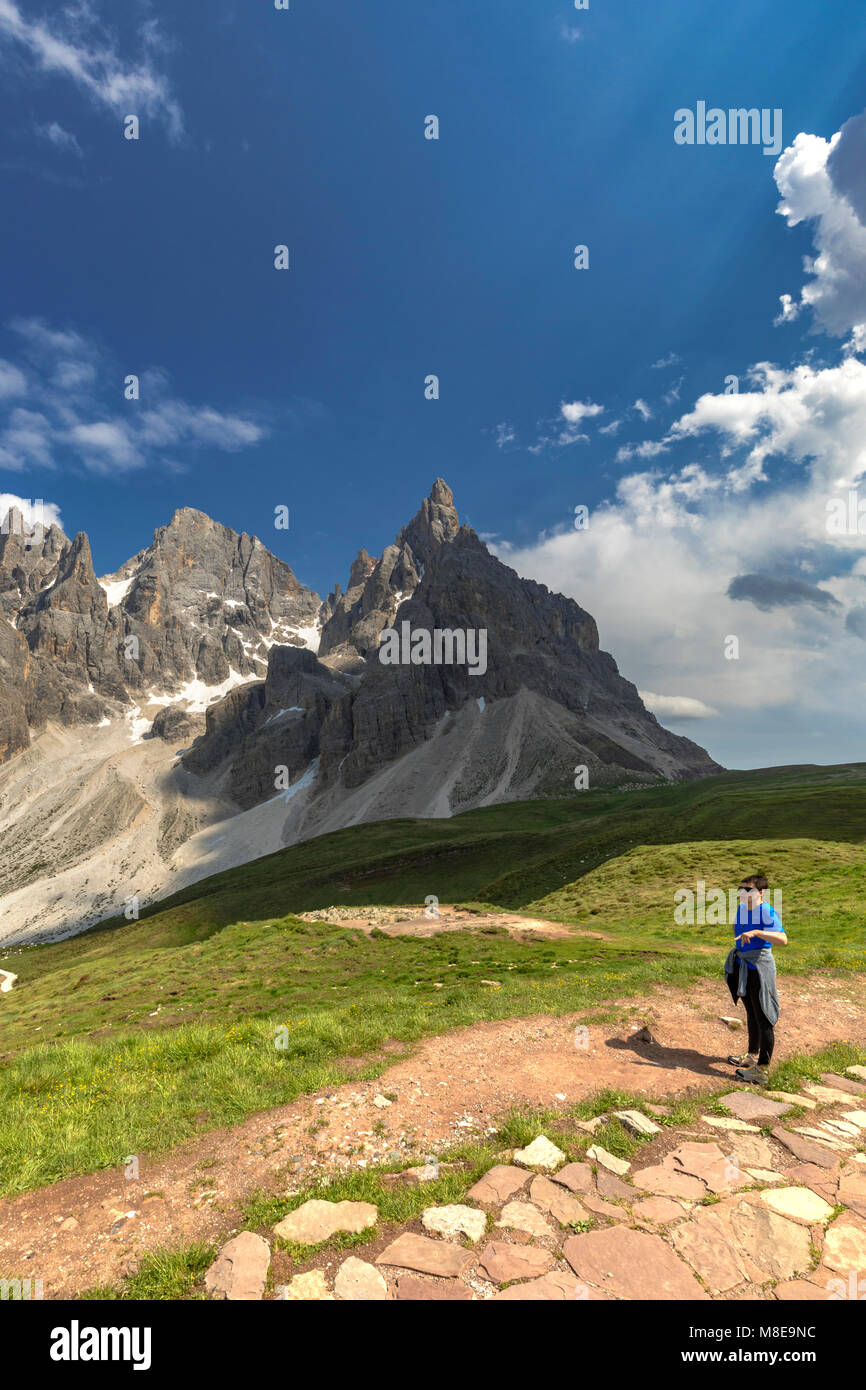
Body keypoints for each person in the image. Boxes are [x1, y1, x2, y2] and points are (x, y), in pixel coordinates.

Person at [723, 873, 786, 1086]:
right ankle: (752, 1055)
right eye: (740, 889)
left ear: (761, 892)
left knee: (765, 1017)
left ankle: (763, 1070)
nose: (742, 893)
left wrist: (758, 932)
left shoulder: (767, 912)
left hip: (760, 968)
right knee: (751, 1012)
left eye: (748, 889)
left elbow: (783, 939)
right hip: (744, 966)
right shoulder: (742, 909)